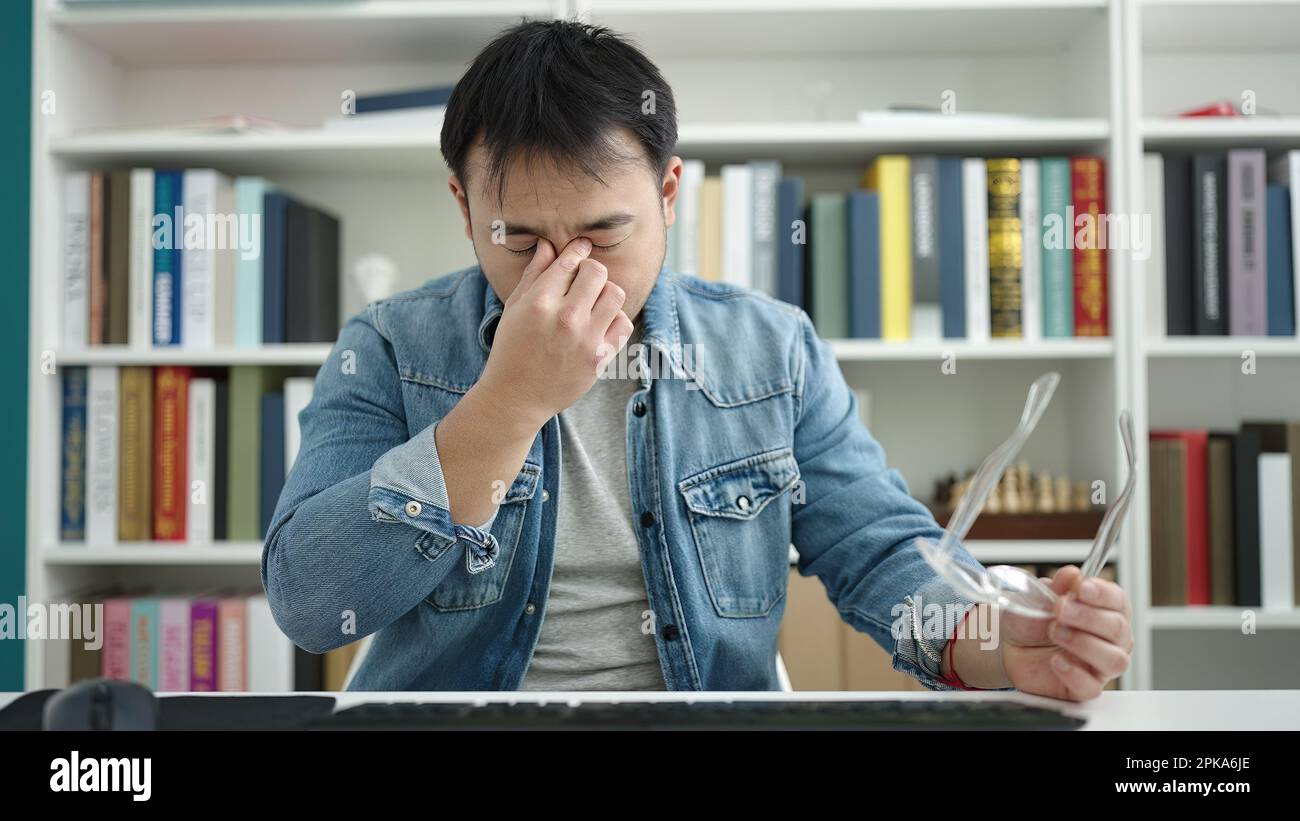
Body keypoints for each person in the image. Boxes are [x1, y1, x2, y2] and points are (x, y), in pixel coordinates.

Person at [262, 19, 1133, 699]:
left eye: (605, 230)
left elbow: (881, 552)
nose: (567, 272)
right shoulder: (388, 346)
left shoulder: (771, 350)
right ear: (463, 207)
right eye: (519, 237)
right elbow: (310, 601)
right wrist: (507, 405)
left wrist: (992, 642)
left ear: (670, 192)